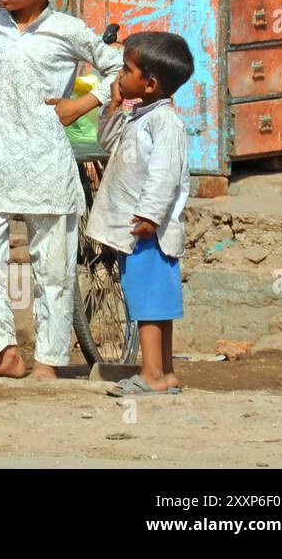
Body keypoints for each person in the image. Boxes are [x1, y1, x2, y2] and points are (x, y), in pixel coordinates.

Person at [0, 0, 123, 380]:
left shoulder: (68, 31)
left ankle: (48, 360)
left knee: (53, 268)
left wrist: (81, 103)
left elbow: (119, 68)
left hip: (47, 163)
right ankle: (4, 351)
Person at [86, 32, 194, 397]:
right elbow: (107, 141)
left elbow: (164, 174)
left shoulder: (165, 124)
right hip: (138, 230)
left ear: (150, 84)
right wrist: (113, 107)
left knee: (150, 305)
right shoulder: (137, 116)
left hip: (148, 232)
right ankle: (165, 373)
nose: (120, 74)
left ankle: (151, 374)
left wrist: (150, 216)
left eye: (127, 70)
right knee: (154, 303)